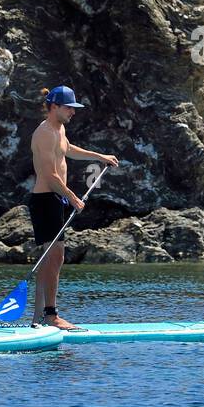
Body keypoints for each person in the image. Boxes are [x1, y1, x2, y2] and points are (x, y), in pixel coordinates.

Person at [29, 86, 118, 329]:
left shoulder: (59, 130)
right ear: (54, 106)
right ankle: (51, 315)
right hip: (46, 200)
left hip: (56, 200)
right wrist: (73, 197)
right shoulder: (44, 133)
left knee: (50, 259)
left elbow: (69, 150)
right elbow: (50, 176)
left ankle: (38, 318)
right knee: (55, 257)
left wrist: (99, 156)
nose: (73, 112)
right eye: (69, 107)